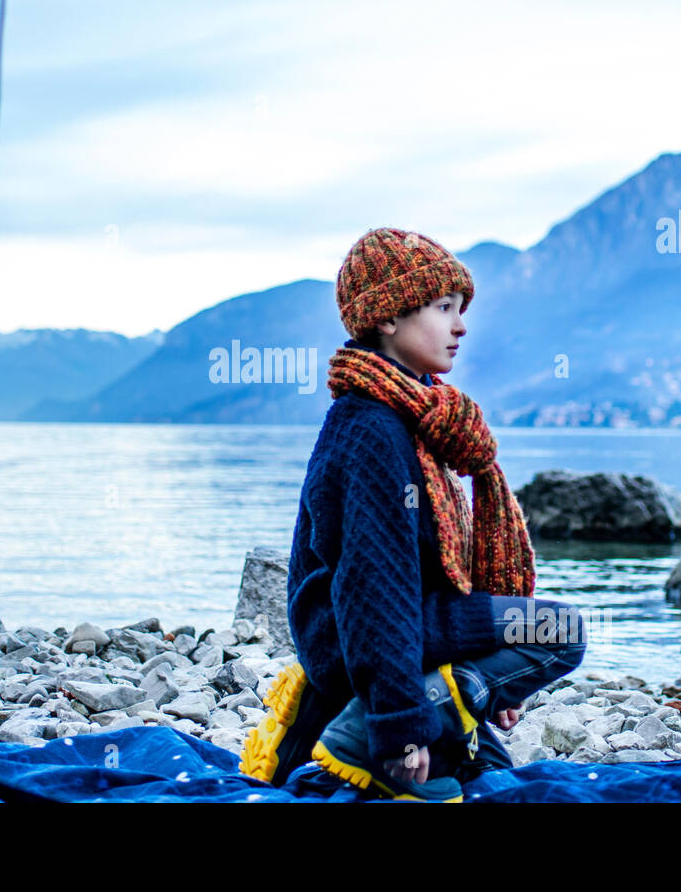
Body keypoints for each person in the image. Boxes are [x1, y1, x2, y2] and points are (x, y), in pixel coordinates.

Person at [239, 227, 586, 801]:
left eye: (461, 309)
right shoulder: (372, 430)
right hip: (362, 642)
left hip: (408, 631)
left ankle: (406, 716)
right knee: (560, 629)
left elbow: (435, 578)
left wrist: (495, 682)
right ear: (387, 319)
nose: (461, 326)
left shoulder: (420, 416)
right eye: (443, 307)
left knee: (495, 783)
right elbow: (374, 588)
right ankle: (361, 729)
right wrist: (399, 728)